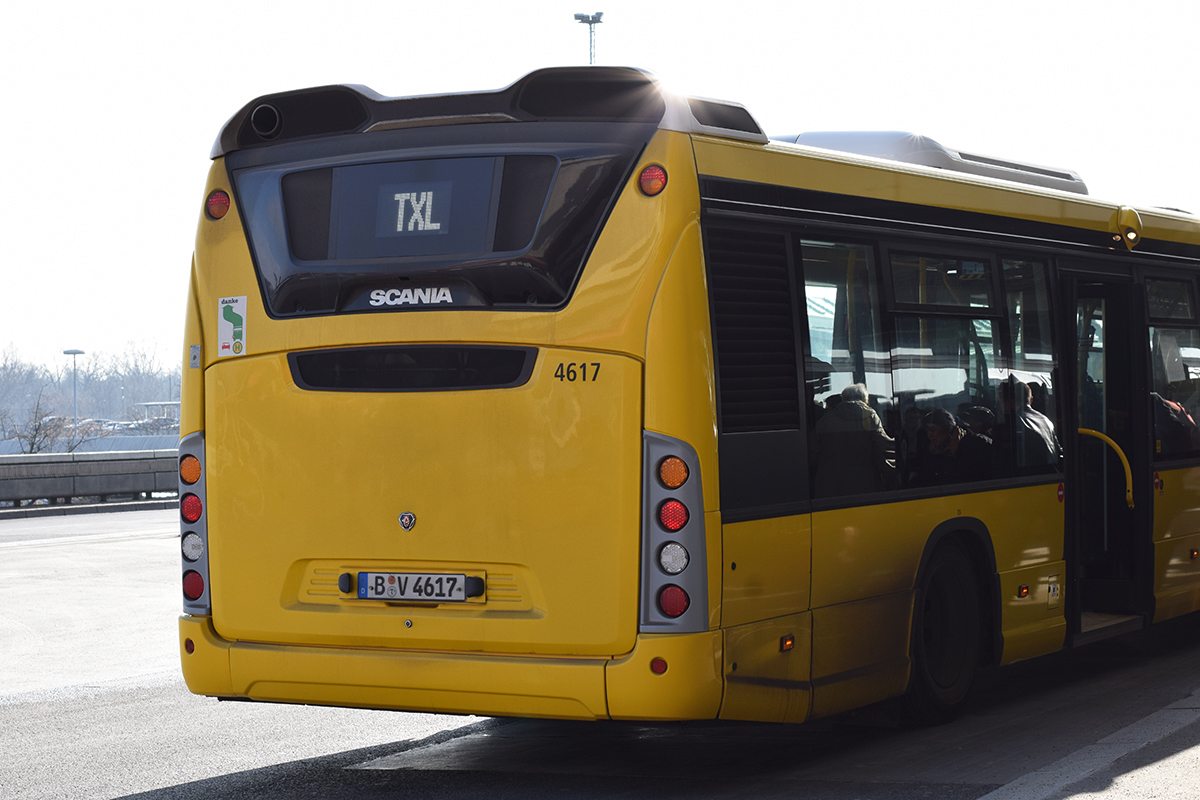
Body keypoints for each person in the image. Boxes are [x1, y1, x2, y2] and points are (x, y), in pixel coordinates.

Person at [811, 384, 895, 497]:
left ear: (843, 398)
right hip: (865, 485)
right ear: (864, 399)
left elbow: (813, 453)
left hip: (830, 487)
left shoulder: (825, 420)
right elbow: (883, 448)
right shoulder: (869, 416)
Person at [916, 408, 994, 485]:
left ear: (947, 429)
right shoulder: (931, 450)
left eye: (933, 430)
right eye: (927, 431)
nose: (930, 435)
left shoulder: (976, 445)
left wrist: (954, 454)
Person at [997, 379, 1061, 469]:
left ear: (1009, 401)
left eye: (1001, 400)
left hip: (1029, 475)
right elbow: (1058, 451)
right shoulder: (1046, 420)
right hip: (1050, 473)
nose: (1000, 405)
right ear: (1031, 399)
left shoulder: (1013, 423)